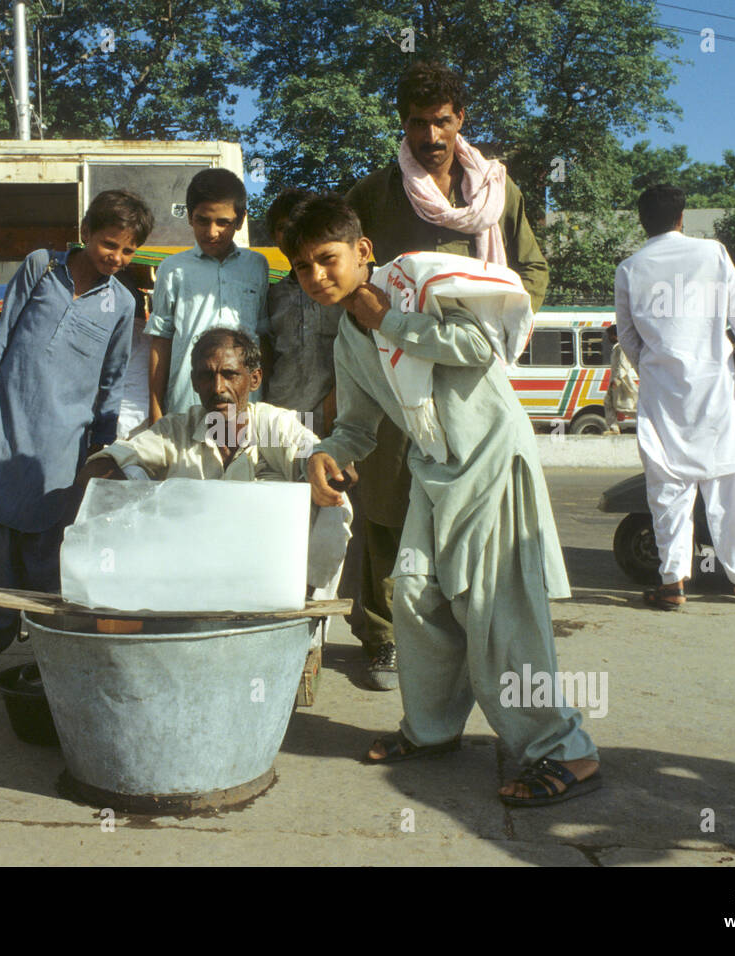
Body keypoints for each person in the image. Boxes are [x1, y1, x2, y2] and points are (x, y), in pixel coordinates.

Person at [287, 194, 600, 807]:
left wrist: (392, 322)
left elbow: (479, 347)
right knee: (413, 594)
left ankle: (566, 751)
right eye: (302, 268)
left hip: (489, 459)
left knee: (499, 610)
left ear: (362, 251)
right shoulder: (348, 338)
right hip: (432, 469)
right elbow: (357, 425)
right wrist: (326, 452)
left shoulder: (412, 287)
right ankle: (431, 731)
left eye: (327, 259)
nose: (317, 277)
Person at [340, 61, 551, 691]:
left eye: (442, 121)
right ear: (401, 122)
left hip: (468, 371)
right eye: (417, 122)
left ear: (461, 119)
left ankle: (458, 630)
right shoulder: (374, 193)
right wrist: (364, 333)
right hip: (392, 367)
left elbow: (532, 270)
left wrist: (503, 323)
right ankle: (380, 636)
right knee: (385, 498)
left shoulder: (496, 193)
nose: (430, 135)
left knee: (463, 505)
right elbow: (346, 271)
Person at [0, 189, 154, 695]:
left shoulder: (123, 303)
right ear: (87, 232)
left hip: (66, 450)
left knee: (49, 561)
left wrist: (102, 453)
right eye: (110, 244)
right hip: (6, 428)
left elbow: (110, 385)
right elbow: (1, 339)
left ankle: (49, 662)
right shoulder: (41, 268)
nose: (117, 258)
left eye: (128, 252)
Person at [78, 327, 351, 597]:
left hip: (266, 572)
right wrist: (132, 492)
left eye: (230, 375)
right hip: (192, 571)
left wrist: (324, 466)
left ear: (254, 379)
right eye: (207, 376)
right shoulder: (177, 429)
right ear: (195, 383)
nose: (218, 387)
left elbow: (315, 453)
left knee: (333, 502)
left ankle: (308, 600)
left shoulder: (274, 424)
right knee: (125, 476)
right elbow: (105, 463)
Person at [614, 184, 735, 609]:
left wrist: (658, 362)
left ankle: (672, 583)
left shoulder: (629, 269)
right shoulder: (713, 254)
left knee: (667, 487)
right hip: (717, 390)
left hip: (663, 398)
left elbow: (629, 339)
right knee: (728, 483)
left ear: (643, 221)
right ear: (682, 218)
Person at [146, 168, 269, 421]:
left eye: (223, 222)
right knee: (189, 460)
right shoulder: (172, 269)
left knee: (240, 460)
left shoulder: (257, 266)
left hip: (244, 406)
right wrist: (156, 409)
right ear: (190, 217)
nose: (212, 232)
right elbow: (161, 341)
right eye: (203, 220)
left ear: (241, 220)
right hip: (186, 405)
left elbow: (263, 336)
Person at [264, 188, 342, 438]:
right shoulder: (273, 295)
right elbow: (267, 354)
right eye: (282, 227)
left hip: (335, 413)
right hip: (281, 412)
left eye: (300, 225)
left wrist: (336, 404)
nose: (291, 234)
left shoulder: (339, 290)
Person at [604, 324, 638, 434]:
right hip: (615, 380)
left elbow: (623, 365)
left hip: (621, 381)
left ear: (615, 336)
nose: (608, 338)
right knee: (608, 402)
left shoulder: (622, 348)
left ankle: (647, 418)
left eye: (610, 335)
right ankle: (613, 428)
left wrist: (617, 381)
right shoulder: (617, 348)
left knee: (624, 407)